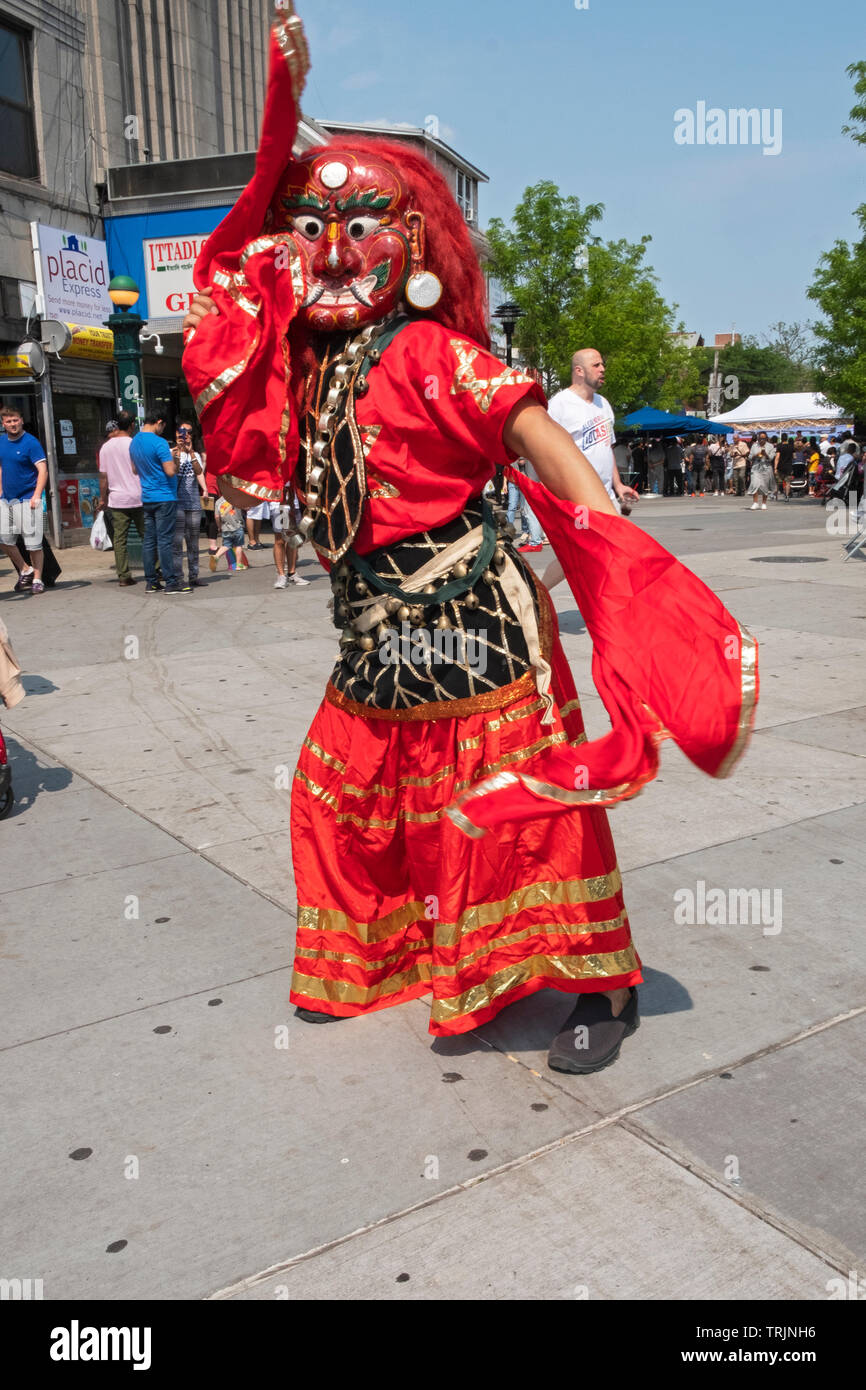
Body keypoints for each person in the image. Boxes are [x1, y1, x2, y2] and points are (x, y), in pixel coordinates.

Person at [181, 1, 756, 1073]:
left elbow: (538, 439)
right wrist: (281, 114)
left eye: (364, 225)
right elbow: (228, 265)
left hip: (473, 621)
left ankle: (601, 981)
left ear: (412, 243)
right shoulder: (302, 363)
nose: (337, 250)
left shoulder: (434, 355)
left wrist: (611, 550)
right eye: (314, 228)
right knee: (337, 792)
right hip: (370, 632)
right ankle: (394, 961)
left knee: (518, 814)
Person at [547, 350, 639, 513]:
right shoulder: (558, 405)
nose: (602, 369)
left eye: (602, 364)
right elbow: (548, 456)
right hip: (577, 501)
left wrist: (618, 485)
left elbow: (607, 447)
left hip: (607, 497)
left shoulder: (603, 403)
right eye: (596, 365)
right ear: (579, 371)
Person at [129, 411, 185, 593]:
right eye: (163, 426)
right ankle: (171, 582)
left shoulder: (134, 441)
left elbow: (135, 470)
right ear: (159, 422)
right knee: (165, 541)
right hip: (165, 496)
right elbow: (170, 471)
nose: (163, 430)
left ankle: (151, 582)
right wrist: (174, 457)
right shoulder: (159, 442)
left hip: (148, 496)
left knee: (149, 541)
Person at [0, 406, 47, 595]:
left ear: (21, 420)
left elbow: (42, 470)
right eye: (8, 421)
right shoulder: (2, 442)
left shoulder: (31, 442)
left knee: (33, 543)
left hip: (28, 498)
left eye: (15, 420)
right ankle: (25, 569)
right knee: (4, 538)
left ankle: (37, 579)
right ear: (3, 424)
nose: (12, 424)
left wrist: (37, 495)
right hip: (6, 500)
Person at [97, 411, 143, 585]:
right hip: (139, 497)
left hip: (117, 500)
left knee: (119, 539)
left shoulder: (105, 447)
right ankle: (156, 570)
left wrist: (103, 499)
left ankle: (123, 575)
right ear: (132, 425)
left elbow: (103, 477)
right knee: (147, 536)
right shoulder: (134, 444)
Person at [173, 421, 207, 586]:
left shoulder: (196, 455)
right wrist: (179, 452)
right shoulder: (170, 452)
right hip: (177, 504)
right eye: (181, 432)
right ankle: (178, 577)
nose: (184, 435)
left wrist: (191, 452)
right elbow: (173, 471)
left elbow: (199, 472)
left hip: (193, 503)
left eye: (187, 432)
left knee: (193, 542)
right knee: (177, 542)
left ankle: (194, 575)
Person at [506, 458, 544, 552]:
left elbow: (521, 459)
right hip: (529, 481)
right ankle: (535, 540)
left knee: (529, 512)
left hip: (528, 481)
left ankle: (535, 542)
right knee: (529, 512)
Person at [211, 496, 249, 572]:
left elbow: (217, 516)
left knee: (226, 545)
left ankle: (216, 556)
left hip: (225, 527)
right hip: (238, 526)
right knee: (238, 545)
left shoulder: (218, 502)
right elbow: (246, 507)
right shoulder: (236, 498)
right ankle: (239, 565)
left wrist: (219, 526)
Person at [747, 432, 775, 509]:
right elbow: (749, 457)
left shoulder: (770, 446)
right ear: (758, 438)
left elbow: (771, 458)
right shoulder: (754, 445)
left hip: (766, 467)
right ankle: (755, 502)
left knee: (764, 485)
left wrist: (765, 454)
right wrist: (756, 455)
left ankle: (764, 503)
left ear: (766, 438)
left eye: (763, 438)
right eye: (760, 438)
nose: (761, 440)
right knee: (754, 483)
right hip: (756, 467)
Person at [774, 432, 794, 501]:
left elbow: (777, 458)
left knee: (777, 482)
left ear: (781, 438)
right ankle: (787, 496)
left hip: (780, 466)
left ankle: (775, 496)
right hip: (788, 466)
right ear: (787, 438)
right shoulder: (791, 447)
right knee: (787, 482)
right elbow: (794, 456)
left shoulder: (779, 446)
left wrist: (775, 468)